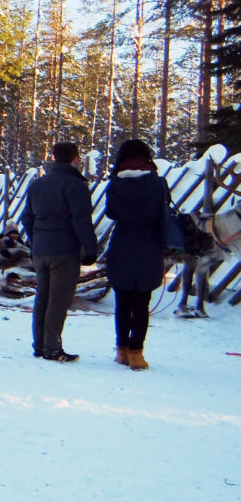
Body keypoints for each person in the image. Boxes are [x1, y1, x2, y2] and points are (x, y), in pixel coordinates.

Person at [21, 142, 99, 363]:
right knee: (58, 300)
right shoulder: (76, 186)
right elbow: (81, 221)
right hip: (64, 250)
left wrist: (37, 241)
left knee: (42, 298)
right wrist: (90, 249)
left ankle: (40, 345)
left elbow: (27, 218)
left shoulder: (38, 184)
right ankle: (52, 348)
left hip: (41, 250)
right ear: (75, 159)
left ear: (54, 157)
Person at [104, 139, 167, 371]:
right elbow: (164, 212)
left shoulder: (114, 183)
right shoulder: (158, 183)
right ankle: (137, 353)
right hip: (149, 245)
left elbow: (110, 212)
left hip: (122, 244)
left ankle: (121, 350)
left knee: (122, 301)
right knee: (142, 301)